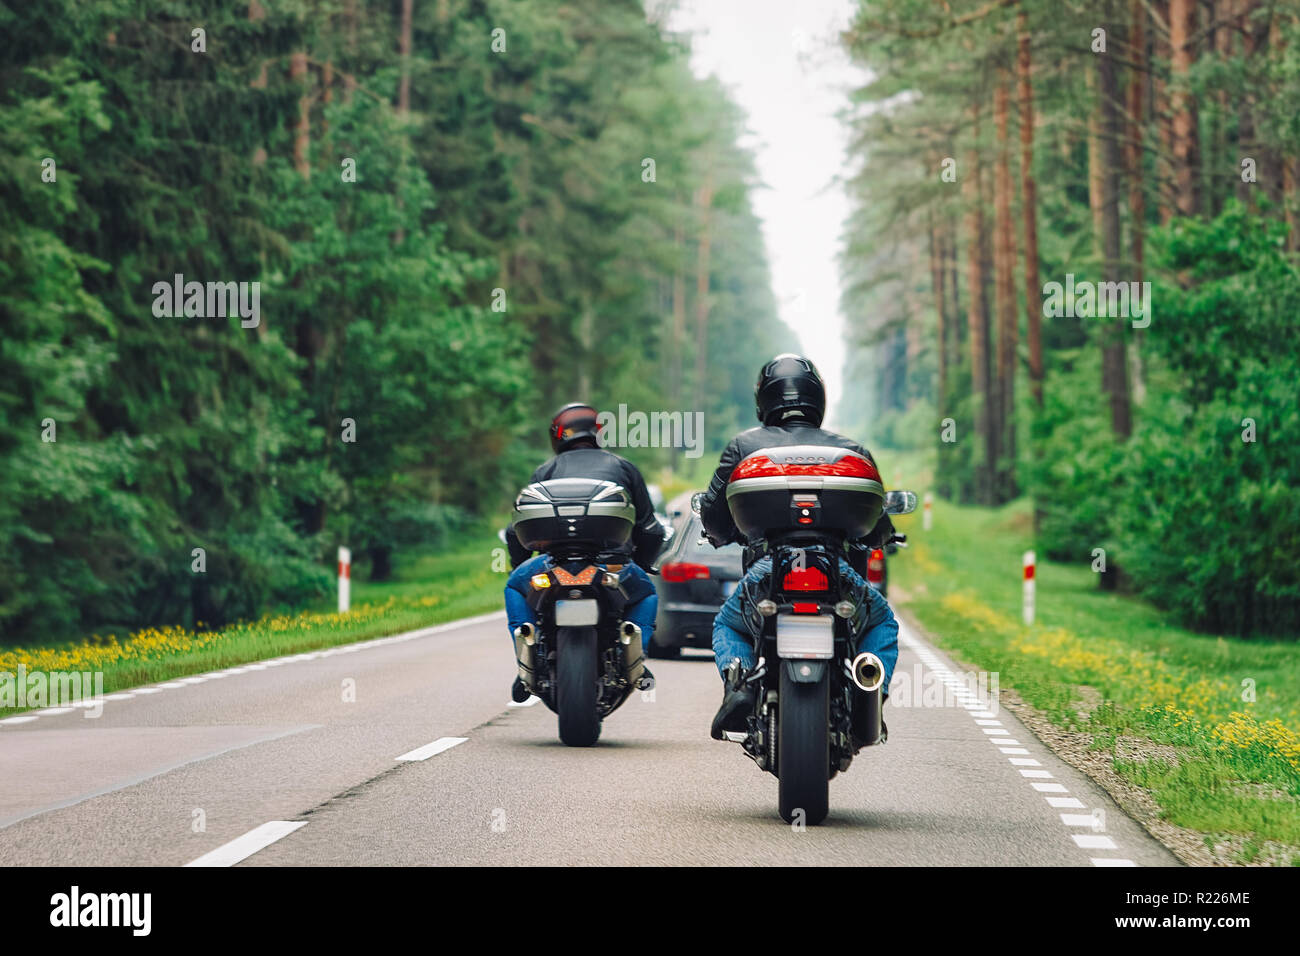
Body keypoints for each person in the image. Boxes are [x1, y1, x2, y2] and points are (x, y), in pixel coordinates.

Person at [697, 354, 900, 742]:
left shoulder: (744, 445)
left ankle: (739, 685)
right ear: (818, 399)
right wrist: (881, 537)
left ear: (764, 401)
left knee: (729, 624)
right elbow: (875, 519)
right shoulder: (851, 450)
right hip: (836, 572)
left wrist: (721, 534)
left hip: (768, 571)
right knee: (881, 623)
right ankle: (869, 693)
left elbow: (714, 513)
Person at [504, 402, 666, 702]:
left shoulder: (546, 470)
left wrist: (518, 564)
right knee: (646, 593)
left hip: (552, 566)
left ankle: (528, 655)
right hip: (613, 566)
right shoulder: (623, 467)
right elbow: (650, 528)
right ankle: (637, 658)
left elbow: (516, 527)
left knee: (515, 585)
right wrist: (642, 564)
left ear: (558, 435)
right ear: (599, 433)